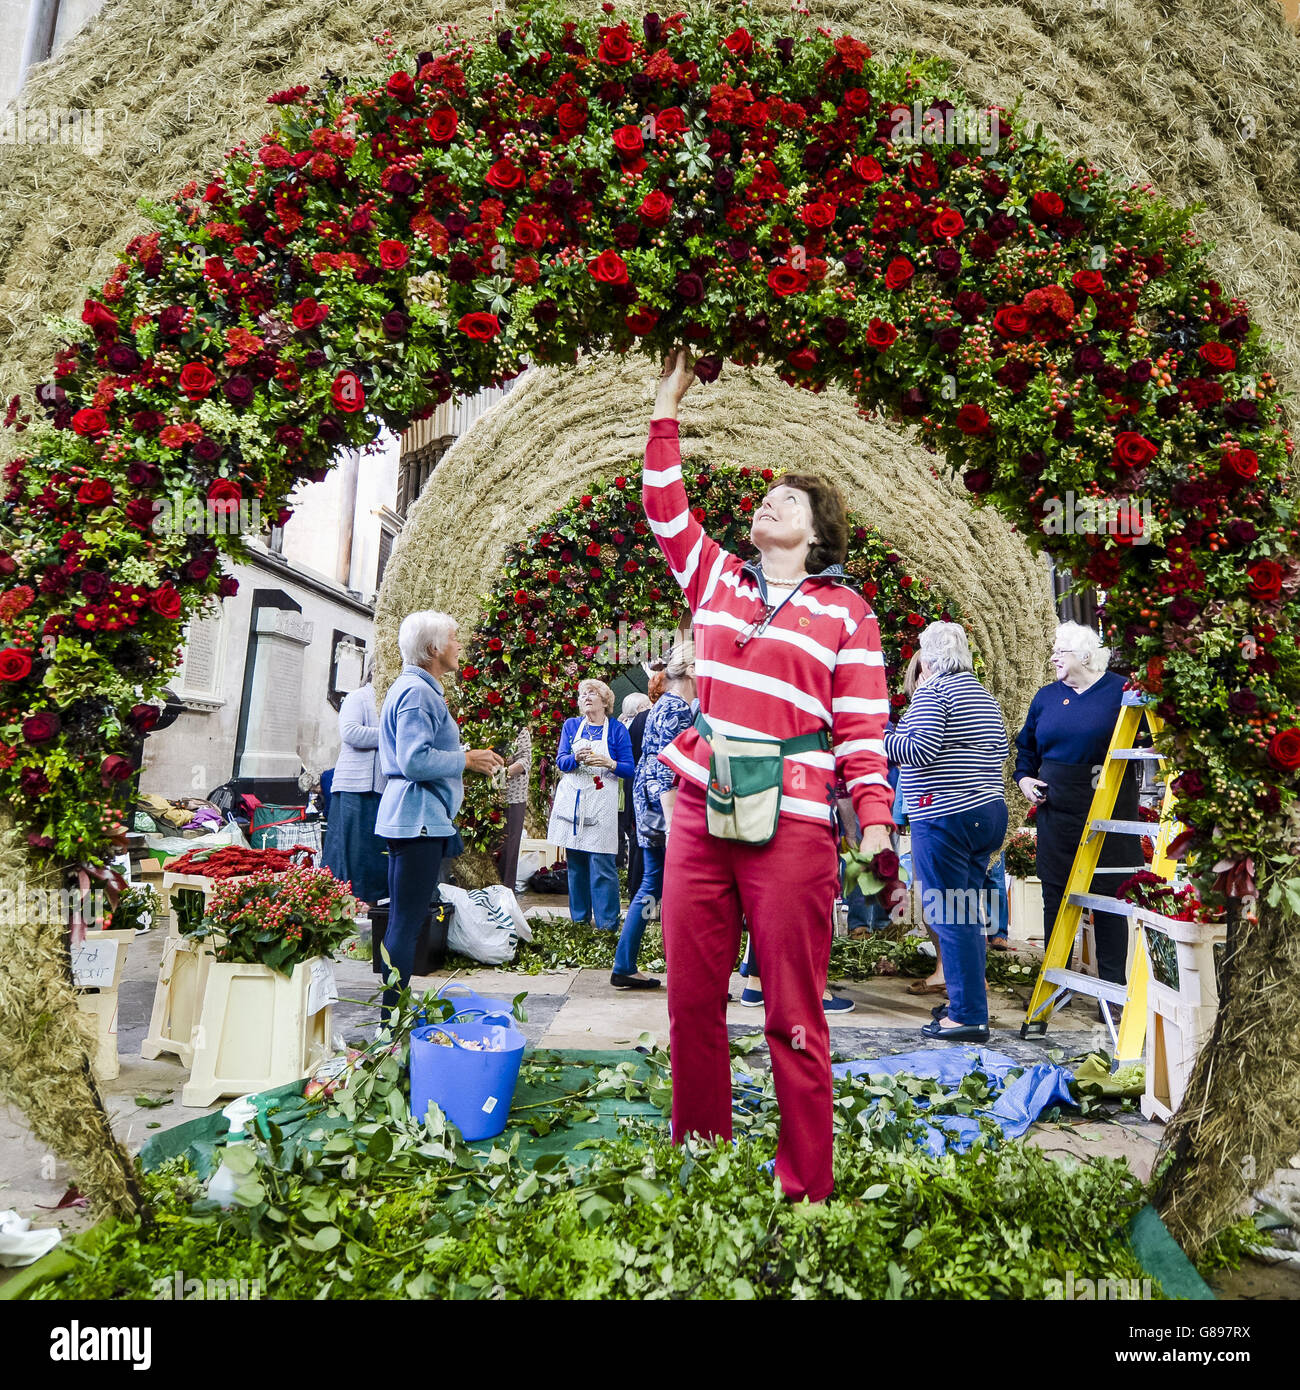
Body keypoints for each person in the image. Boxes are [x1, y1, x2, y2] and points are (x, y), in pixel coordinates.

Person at [646, 350, 894, 1204]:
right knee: (690, 1002)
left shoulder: (847, 611)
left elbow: (864, 729)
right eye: (765, 498)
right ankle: (705, 1163)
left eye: (789, 500)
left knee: (794, 1013)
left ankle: (805, 1187)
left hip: (793, 823)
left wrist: (876, 820)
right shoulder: (717, 579)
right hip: (700, 803)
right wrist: (666, 400)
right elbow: (665, 506)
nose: (769, 503)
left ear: (818, 532)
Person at [375, 611, 503, 1022]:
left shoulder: (415, 688)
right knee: (406, 923)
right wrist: (466, 759)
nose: (459, 645)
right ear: (433, 649)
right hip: (418, 818)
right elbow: (414, 760)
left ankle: (392, 1015)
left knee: (403, 919)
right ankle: (390, 1020)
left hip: (414, 816)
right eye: (454, 638)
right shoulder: (417, 693)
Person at [884, 622, 1009, 1043]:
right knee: (966, 914)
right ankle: (966, 1002)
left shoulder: (934, 693)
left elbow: (918, 749)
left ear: (930, 657)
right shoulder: (983, 696)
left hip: (944, 815)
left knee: (950, 915)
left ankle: (968, 1016)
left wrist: (879, 737)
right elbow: (1002, 751)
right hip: (987, 814)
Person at [1014, 621, 1143, 992]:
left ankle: (1114, 990)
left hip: (1108, 810)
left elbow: (1147, 739)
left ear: (1085, 655)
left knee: (1107, 898)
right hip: (1057, 812)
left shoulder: (1122, 691)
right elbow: (1026, 750)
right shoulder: (1046, 697)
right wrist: (1024, 780)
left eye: (1060, 650)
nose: (1053, 656)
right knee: (1055, 895)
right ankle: (1054, 985)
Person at [611, 643, 697, 990]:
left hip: (647, 798)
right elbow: (667, 766)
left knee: (652, 881)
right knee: (674, 887)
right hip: (663, 805)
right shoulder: (677, 709)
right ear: (691, 669)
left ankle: (625, 963)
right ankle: (686, 972)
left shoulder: (662, 705)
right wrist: (675, 823)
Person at [547, 679, 635, 932]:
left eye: (592, 693)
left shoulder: (617, 729)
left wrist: (609, 762)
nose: (586, 697)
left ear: (605, 701)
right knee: (575, 863)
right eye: (583, 694)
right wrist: (575, 758)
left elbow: (629, 768)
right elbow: (561, 761)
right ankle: (580, 922)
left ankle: (607, 923)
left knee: (601, 862)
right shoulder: (572, 726)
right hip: (573, 800)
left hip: (601, 802)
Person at [320, 662, 388, 910]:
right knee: (348, 854)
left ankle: (366, 917)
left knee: (369, 857)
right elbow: (351, 733)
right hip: (354, 787)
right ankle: (341, 913)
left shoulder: (390, 700)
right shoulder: (359, 697)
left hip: (379, 789)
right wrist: (394, 735)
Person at [617, 691, 652, 892]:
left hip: (628, 787)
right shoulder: (636, 724)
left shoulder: (624, 726)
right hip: (632, 786)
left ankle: (633, 884)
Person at [496, 726, 532, 894]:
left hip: (512, 796)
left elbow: (525, 760)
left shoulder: (519, 730)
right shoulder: (476, 721)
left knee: (508, 848)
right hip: (482, 797)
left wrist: (501, 774)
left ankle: (505, 894)